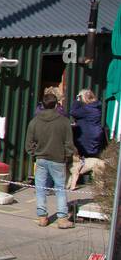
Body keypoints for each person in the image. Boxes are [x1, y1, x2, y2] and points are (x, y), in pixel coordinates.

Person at [27, 88, 76, 228]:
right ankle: (62, 219)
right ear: (56, 104)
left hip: (41, 158)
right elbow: (69, 143)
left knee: (40, 188)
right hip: (58, 159)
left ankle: (42, 217)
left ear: (42, 104)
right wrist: (67, 156)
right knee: (60, 189)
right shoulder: (64, 122)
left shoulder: (35, 121)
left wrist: (34, 154)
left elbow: (28, 143)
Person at [68, 88, 106, 190]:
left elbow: (73, 112)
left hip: (86, 136)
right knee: (91, 160)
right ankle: (92, 181)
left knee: (79, 158)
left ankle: (75, 181)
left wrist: (77, 101)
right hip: (95, 135)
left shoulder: (86, 109)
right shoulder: (96, 106)